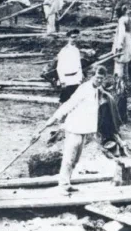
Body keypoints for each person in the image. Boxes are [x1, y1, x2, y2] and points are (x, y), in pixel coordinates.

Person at [41, 65, 106, 194]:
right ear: (91, 76)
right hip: (74, 127)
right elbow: (69, 104)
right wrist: (54, 118)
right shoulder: (84, 89)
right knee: (69, 157)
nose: (99, 80)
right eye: (97, 78)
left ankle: (67, 182)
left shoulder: (97, 89)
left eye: (102, 79)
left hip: (84, 128)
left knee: (76, 159)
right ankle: (62, 185)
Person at [112, 5, 131, 118]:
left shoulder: (122, 20)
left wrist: (118, 48)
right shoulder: (130, 20)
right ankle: (122, 111)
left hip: (121, 54)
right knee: (124, 79)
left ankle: (119, 111)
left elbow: (120, 35)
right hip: (128, 52)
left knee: (119, 79)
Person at [56, 29, 84, 102]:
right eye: (73, 37)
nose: (75, 39)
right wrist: (62, 81)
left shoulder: (76, 50)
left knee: (75, 101)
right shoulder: (64, 51)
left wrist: (80, 79)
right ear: (68, 38)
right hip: (67, 80)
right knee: (64, 101)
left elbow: (79, 66)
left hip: (76, 79)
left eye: (76, 37)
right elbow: (59, 68)